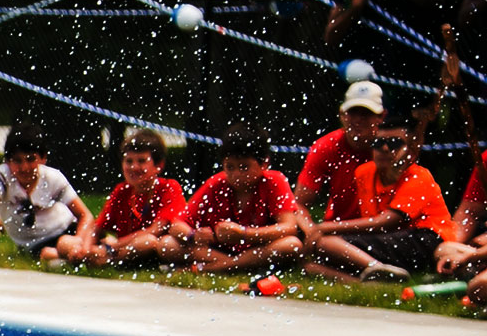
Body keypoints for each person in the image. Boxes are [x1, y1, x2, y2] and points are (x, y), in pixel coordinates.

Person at [308, 127, 452, 280]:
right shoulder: (364, 173)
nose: (384, 148)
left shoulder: (419, 176)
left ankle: (376, 268)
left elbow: (386, 222)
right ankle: (368, 281)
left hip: (425, 239)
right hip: (388, 239)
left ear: (410, 151)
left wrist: (326, 228)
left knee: (327, 243)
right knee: (312, 265)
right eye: (378, 143)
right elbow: (374, 225)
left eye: (395, 143)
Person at [0, 126, 92, 268]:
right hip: (37, 244)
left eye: (30, 159)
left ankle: (78, 255)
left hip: (68, 230)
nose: (24, 167)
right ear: (7, 161)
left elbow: (85, 215)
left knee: (80, 244)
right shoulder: (2, 179)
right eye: (17, 160)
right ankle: (76, 256)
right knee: (60, 249)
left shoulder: (52, 178)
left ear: (43, 158)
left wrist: (78, 240)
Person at [183, 132, 309, 276]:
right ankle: (243, 265)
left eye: (244, 167)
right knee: (168, 245)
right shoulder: (216, 183)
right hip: (222, 251)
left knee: (291, 244)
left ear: (264, 164)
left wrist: (244, 234)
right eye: (230, 167)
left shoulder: (275, 181)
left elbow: (289, 227)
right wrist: (193, 235)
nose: (236, 174)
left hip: (260, 248)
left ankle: (213, 268)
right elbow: (178, 223)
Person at [81, 128, 190, 270]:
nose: (134, 167)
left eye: (142, 161)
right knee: (67, 243)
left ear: (159, 166)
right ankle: (91, 258)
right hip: (123, 247)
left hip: (154, 248)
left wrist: (112, 247)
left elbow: (156, 230)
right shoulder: (122, 190)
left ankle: (107, 259)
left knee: (148, 242)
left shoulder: (169, 188)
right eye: (129, 161)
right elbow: (97, 228)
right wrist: (86, 249)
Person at [298, 81, 387, 227]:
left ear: (381, 116)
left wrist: (322, 230)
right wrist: (311, 231)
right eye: (353, 112)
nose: (358, 119)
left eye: (366, 113)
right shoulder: (325, 146)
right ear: (341, 114)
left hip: (378, 232)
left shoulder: (390, 149)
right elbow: (299, 205)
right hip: (338, 231)